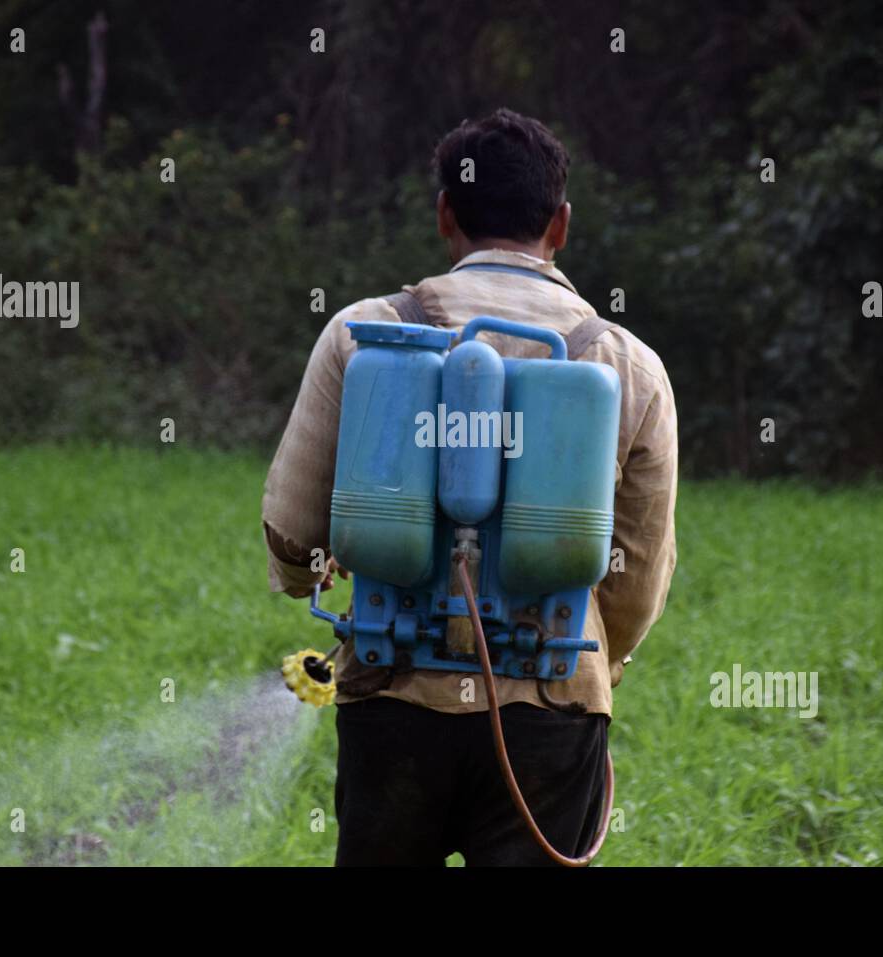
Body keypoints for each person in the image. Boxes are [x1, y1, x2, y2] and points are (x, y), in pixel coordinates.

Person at [261, 108, 678, 866]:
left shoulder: (364, 333)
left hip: (391, 697)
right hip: (551, 710)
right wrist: (596, 663)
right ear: (561, 223)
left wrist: (306, 578)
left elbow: (293, 531)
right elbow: (637, 573)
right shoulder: (628, 365)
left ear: (445, 214)